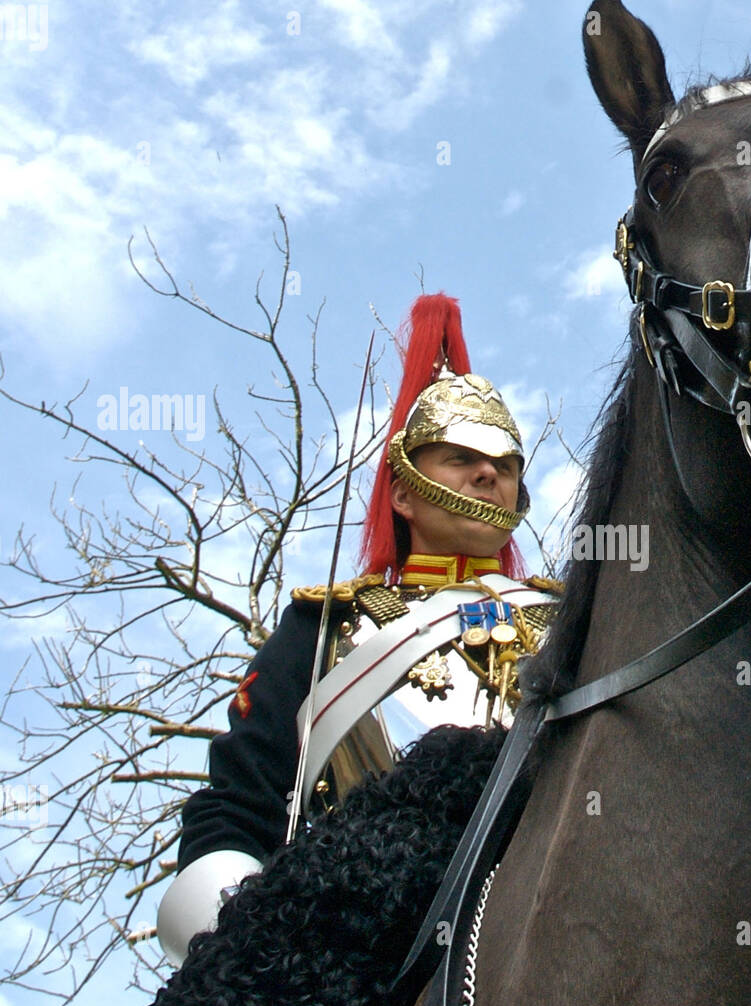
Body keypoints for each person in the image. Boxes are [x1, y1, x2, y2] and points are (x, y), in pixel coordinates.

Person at [156, 292, 560, 965]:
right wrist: (258, 956)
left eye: (507, 464)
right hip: (365, 952)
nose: (490, 473)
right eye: (460, 457)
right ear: (403, 491)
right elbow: (238, 807)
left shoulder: (578, 617)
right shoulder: (326, 628)